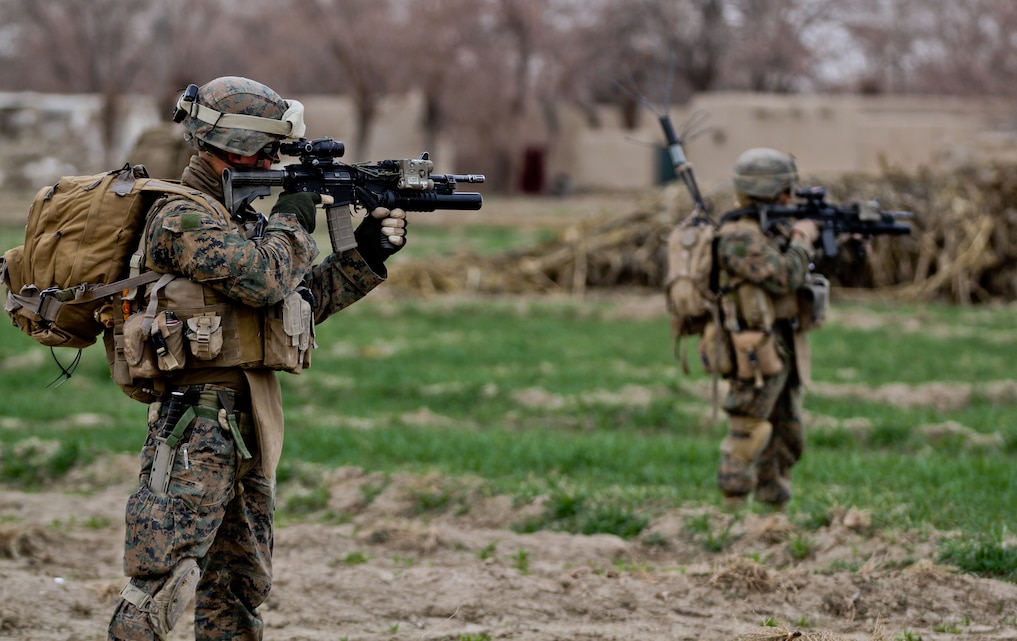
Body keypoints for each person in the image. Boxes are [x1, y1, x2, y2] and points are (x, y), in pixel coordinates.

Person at [106, 76, 407, 641]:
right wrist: (297, 212)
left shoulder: (242, 222)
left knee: (239, 589)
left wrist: (365, 255)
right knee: (164, 582)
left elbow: (292, 306)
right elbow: (264, 278)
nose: (275, 164)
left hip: (248, 421)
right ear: (236, 150)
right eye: (268, 152)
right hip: (194, 427)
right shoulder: (181, 217)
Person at [712, 147, 821, 511]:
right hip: (753, 345)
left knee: (786, 434)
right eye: (787, 189)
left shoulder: (769, 228)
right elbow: (782, 275)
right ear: (775, 192)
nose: (792, 197)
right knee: (748, 429)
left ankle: (773, 514)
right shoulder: (739, 236)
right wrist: (804, 239)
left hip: (783, 339)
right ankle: (730, 514)